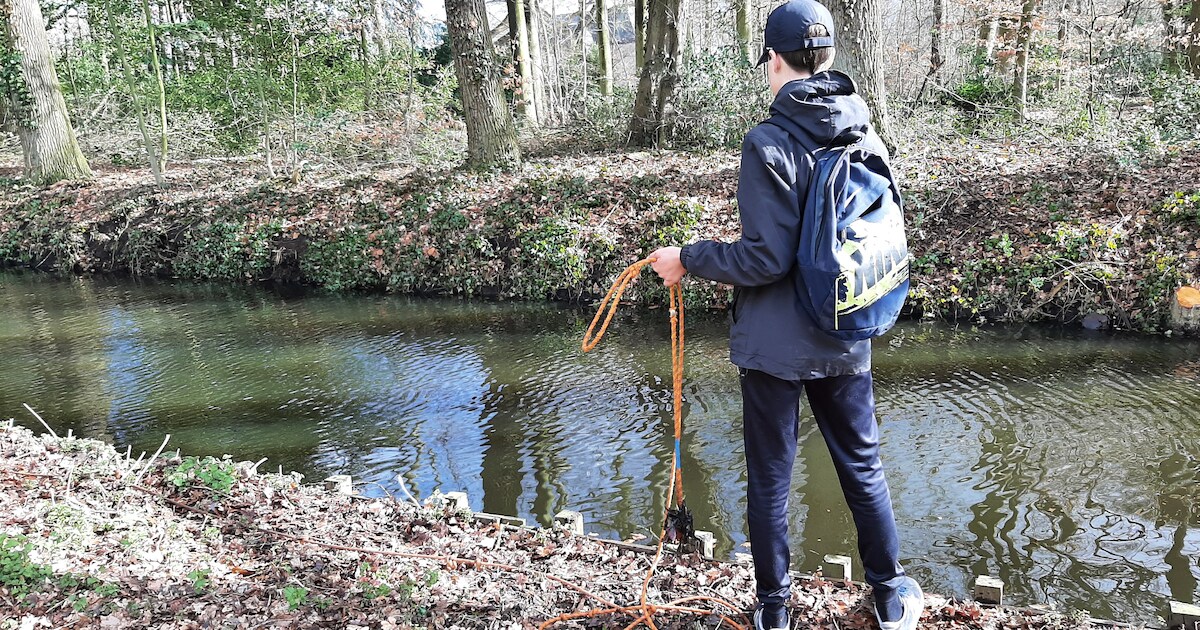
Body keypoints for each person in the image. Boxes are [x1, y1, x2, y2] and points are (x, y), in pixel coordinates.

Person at [648, 1, 924, 629]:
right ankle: (890, 594)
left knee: (771, 478)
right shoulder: (864, 132)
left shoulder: (768, 141)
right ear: (828, 57)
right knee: (862, 465)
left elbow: (764, 259)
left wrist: (688, 258)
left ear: (774, 59)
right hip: (846, 329)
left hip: (775, 346)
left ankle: (775, 609)